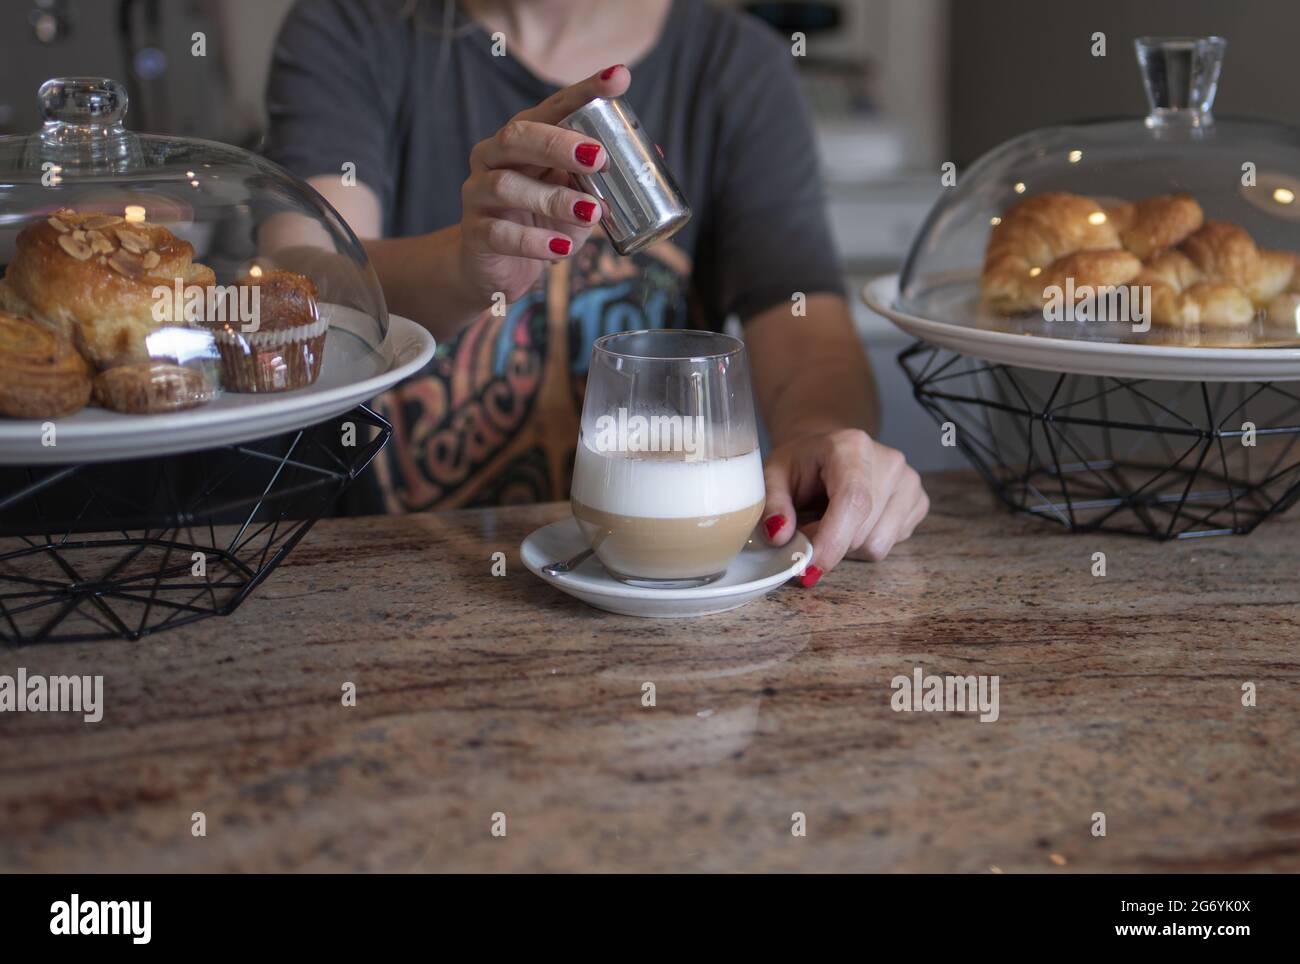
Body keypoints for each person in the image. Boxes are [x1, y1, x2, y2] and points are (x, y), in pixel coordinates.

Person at [264, 0, 928, 586]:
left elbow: (804, 328)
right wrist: (465, 267)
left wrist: (821, 441)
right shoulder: (351, 27)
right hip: (388, 572)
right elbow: (298, 277)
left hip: (654, 587)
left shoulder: (735, 64)